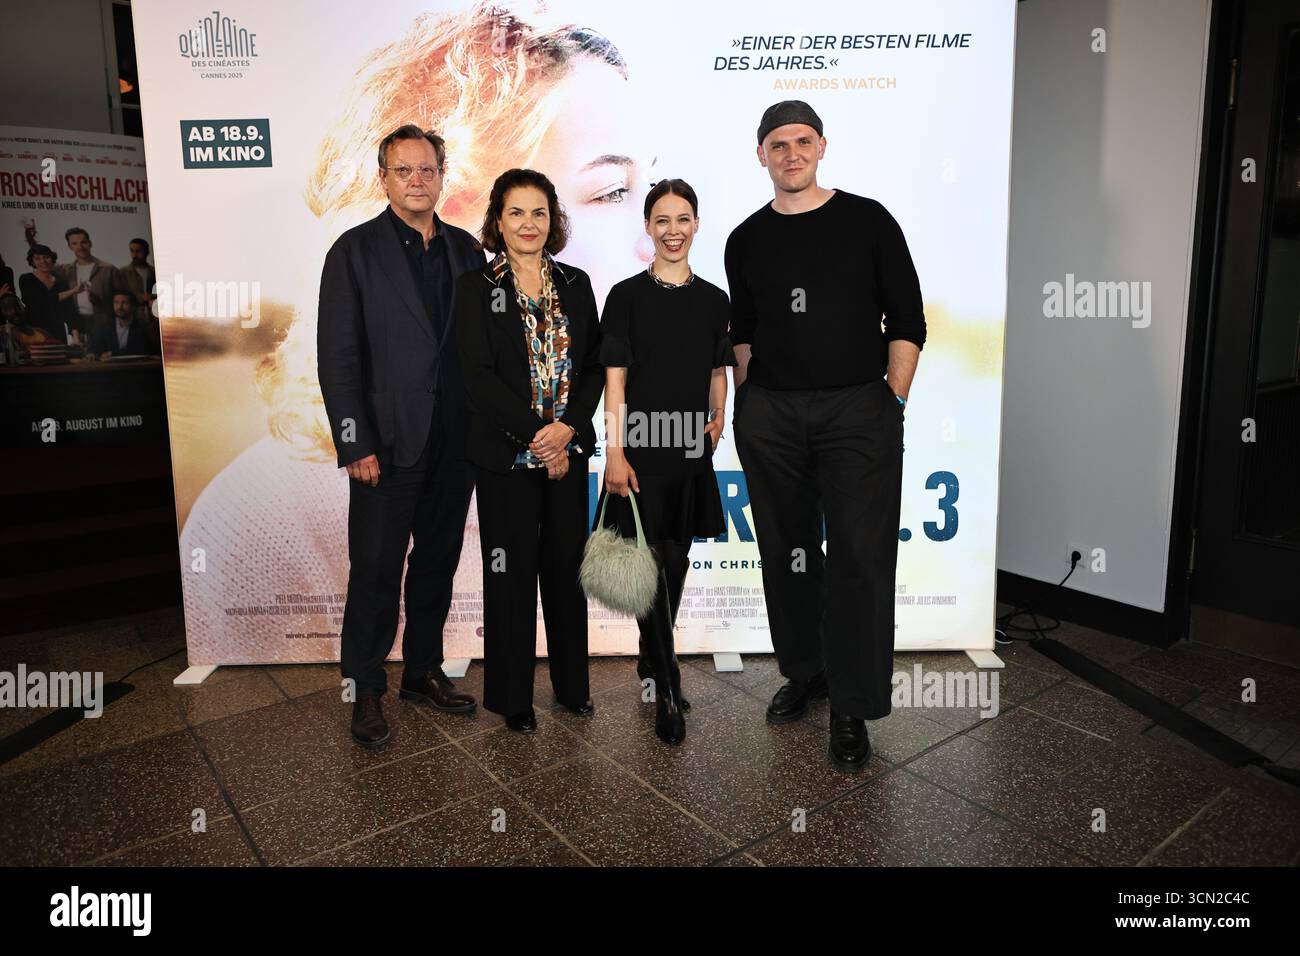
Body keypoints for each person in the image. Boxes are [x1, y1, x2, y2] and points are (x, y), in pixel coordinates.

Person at [725, 101, 926, 772]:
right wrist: (752, 401)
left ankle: (852, 704)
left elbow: (907, 318)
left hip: (856, 412)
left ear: (822, 147)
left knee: (860, 559)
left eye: (802, 141)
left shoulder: (868, 221)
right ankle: (807, 672)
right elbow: (744, 332)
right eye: (777, 143)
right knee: (786, 551)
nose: (790, 153)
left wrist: (889, 400)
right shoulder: (745, 238)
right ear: (760, 155)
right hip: (773, 417)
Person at [317, 124, 486, 749]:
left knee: (437, 563)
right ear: (383, 178)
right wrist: (355, 442)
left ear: (442, 176)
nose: (417, 181)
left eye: (427, 170)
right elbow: (337, 357)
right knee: (377, 570)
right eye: (403, 171)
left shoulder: (468, 252)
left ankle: (420, 672)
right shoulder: (353, 252)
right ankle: (365, 689)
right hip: (385, 446)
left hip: (455, 443)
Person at [455, 168, 604, 733]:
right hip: (506, 461)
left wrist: (567, 432)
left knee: (568, 574)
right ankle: (513, 697)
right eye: (516, 212)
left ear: (553, 220)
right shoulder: (477, 289)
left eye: (539, 212)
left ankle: (572, 689)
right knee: (509, 573)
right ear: (498, 220)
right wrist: (540, 439)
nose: (528, 223)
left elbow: (592, 368)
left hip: (568, 455)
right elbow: (479, 377)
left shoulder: (576, 284)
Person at [597, 179, 733, 745]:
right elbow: (615, 376)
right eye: (662, 220)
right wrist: (615, 449)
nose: (673, 230)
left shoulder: (714, 299)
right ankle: (668, 678)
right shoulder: (625, 296)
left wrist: (720, 414)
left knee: (675, 558)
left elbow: (717, 368)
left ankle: (651, 654)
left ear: (696, 224)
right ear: (648, 227)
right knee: (647, 561)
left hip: (688, 444)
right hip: (642, 445)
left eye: (683, 219)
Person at [58, 228, 125, 343]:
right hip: (78, 326)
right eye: (75, 243)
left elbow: (123, 296)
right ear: (69, 246)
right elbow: (44, 263)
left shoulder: (108, 269)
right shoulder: (66, 270)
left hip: (104, 323)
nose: (80, 247)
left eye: (83, 242)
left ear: (90, 243)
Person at [18, 245, 78, 342]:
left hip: (58, 331)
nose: (43, 261)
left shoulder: (61, 281)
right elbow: (41, 302)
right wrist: (73, 291)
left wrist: (75, 335)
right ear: (32, 262)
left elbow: (69, 310)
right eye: (38, 258)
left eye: (46, 257)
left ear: (52, 259)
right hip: (34, 331)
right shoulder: (26, 279)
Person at [89, 291, 155, 358]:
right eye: (116, 302)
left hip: (135, 367)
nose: (119, 307)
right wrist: (92, 354)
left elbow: (143, 350)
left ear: (132, 306)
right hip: (110, 367)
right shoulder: (105, 327)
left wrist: (114, 354)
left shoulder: (142, 327)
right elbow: (95, 349)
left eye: (124, 303)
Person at [120, 237, 158, 338]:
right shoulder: (123, 273)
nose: (134, 255)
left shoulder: (155, 272)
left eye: (138, 251)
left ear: (147, 252)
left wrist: (153, 298)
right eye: (132, 251)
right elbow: (120, 296)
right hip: (133, 320)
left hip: (154, 320)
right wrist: (139, 297)